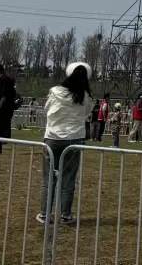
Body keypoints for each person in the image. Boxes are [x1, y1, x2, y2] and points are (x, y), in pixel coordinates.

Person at [39, 63, 93, 226]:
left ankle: (45, 214)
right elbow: (87, 112)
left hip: (53, 137)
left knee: (49, 177)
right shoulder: (84, 95)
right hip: (74, 138)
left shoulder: (55, 92)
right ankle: (65, 214)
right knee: (68, 177)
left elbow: (46, 110)